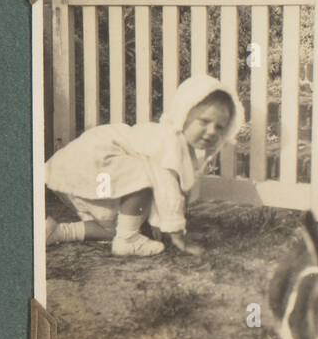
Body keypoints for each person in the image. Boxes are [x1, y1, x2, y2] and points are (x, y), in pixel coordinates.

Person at [44, 75, 243, 257]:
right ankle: (127, 240)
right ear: (184, 115)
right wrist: (177, 237)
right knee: (145, 176)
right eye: (204, 121)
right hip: (93, 160)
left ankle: (58, 231)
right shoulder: (170, 141)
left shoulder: (185, 149)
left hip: (81, 172)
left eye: (219, 127)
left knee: (119, 225)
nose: (211, 131)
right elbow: (168, 190)